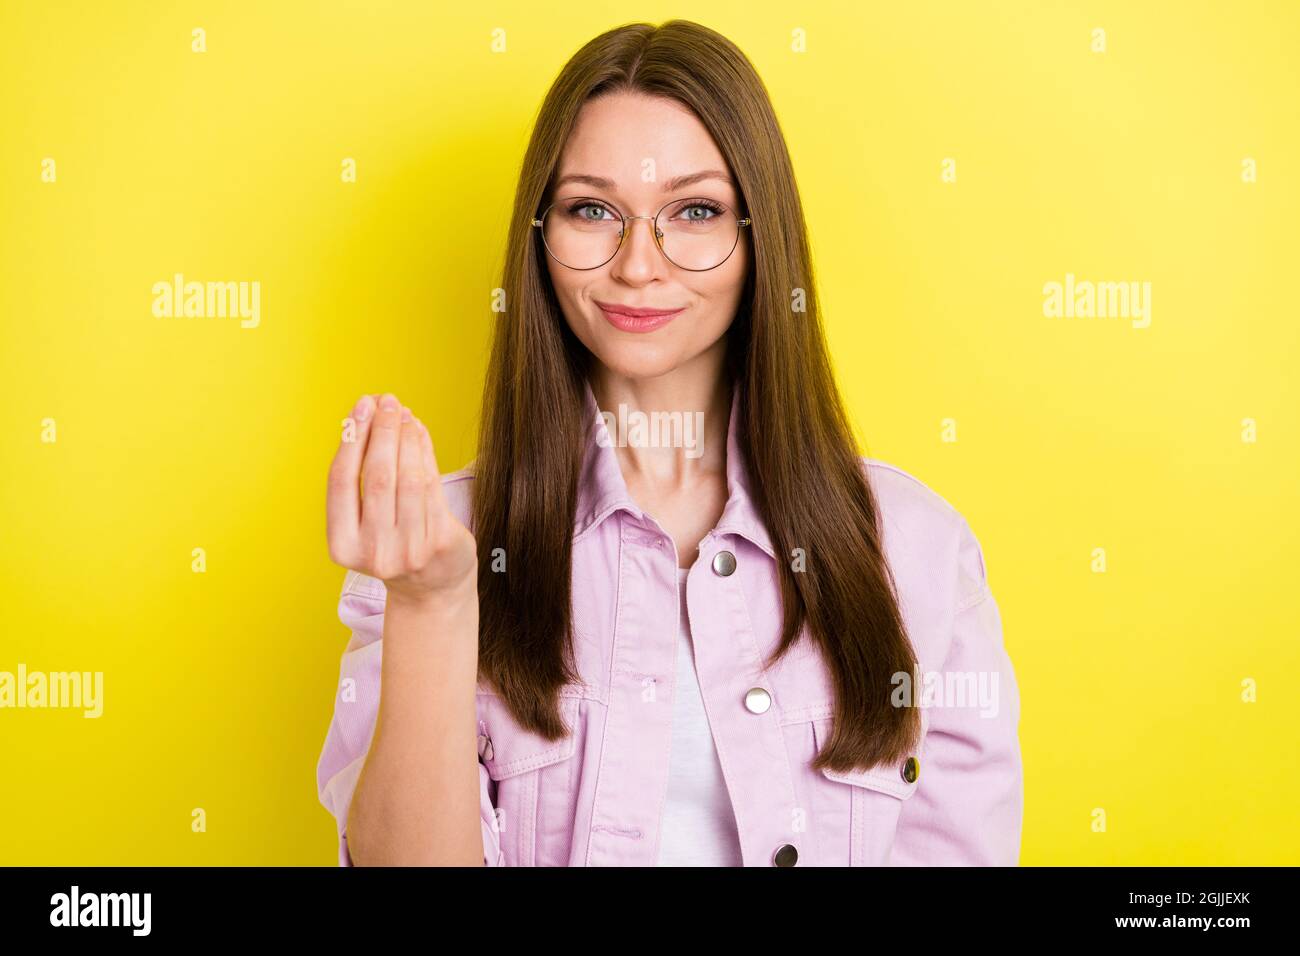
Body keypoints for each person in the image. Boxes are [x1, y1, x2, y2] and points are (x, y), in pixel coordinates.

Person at [317, 19, 1023, 867]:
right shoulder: (436, 543)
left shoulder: (918, 551)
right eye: (591, 210)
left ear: (761, 236)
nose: (639, 265)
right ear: (540, 239)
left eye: (694, 211)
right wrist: (431, 605)